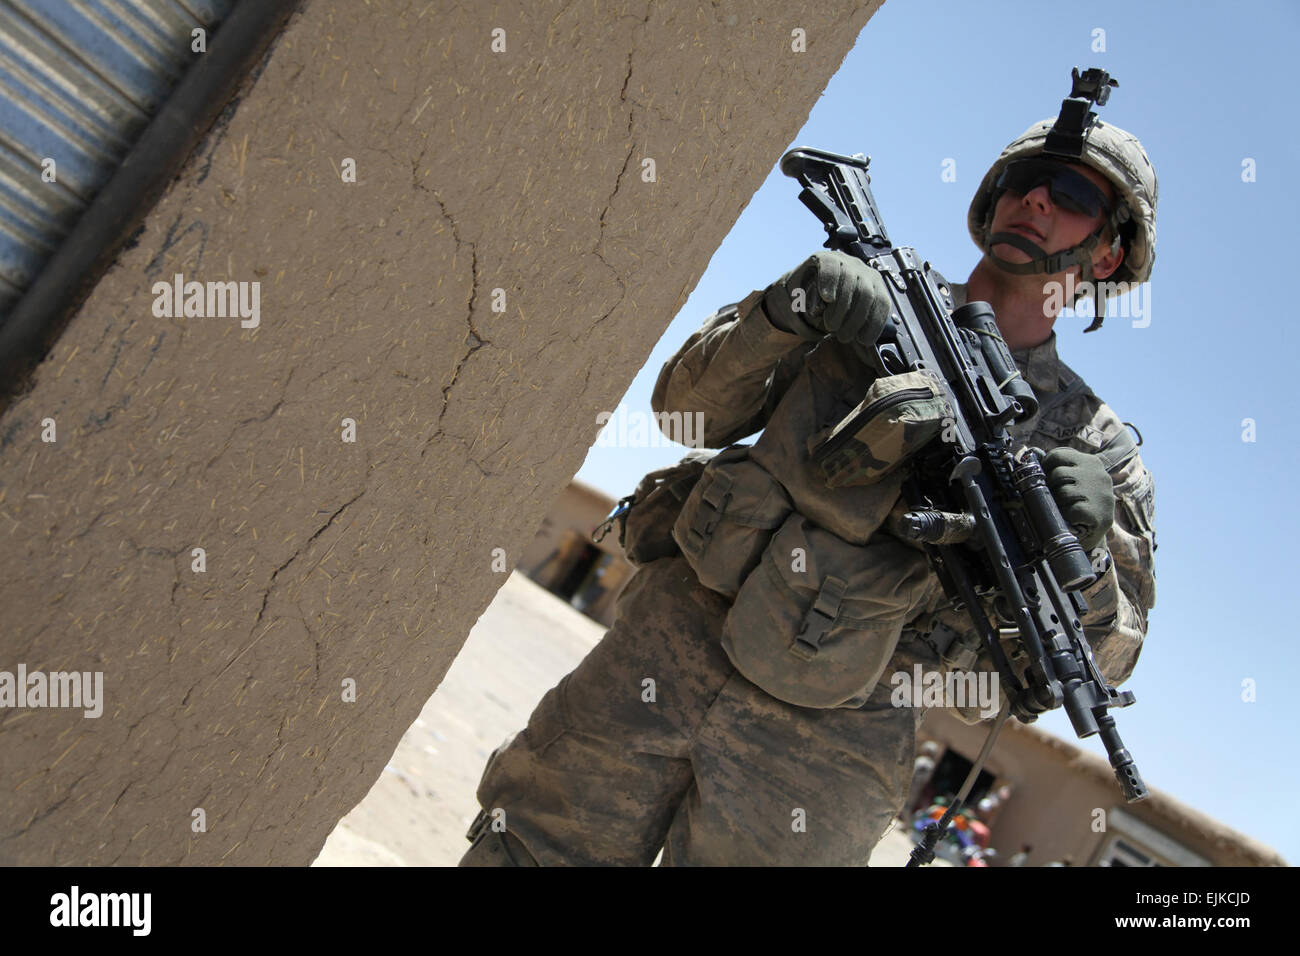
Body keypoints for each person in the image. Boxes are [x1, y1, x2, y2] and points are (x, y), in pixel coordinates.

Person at [459, 109, 1159, 866]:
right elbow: (683, 416)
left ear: (1110, 251)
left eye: (1074, 197)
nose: (1039, 201)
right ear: (993, 196)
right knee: (527, 848)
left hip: (834, 742)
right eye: (1025, 181)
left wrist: (1079, 554)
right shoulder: (870, 301)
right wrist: (779, 314)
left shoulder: (1096, 446)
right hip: (666, 651)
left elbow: (1109, 659)